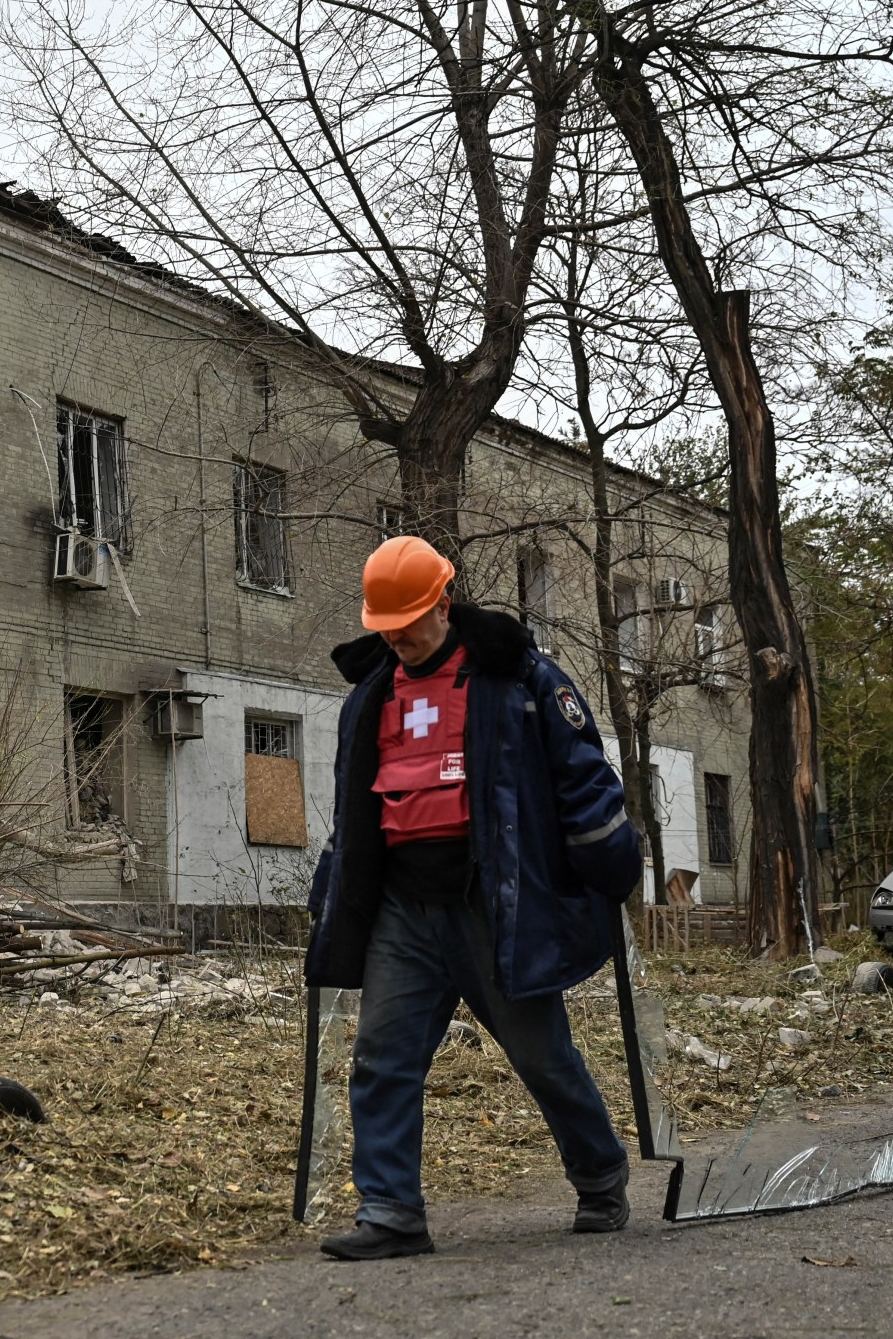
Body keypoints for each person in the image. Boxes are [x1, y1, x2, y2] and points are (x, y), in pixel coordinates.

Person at [306, 534, 642, 1261]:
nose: (397, 637)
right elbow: (352, 810)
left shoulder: (516, 679)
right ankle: (391, 1211)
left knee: (542, 1055)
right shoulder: (369, 696)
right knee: (382, 1056)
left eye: (410, 622)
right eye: (384, 627)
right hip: (402, 906)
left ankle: (599, 1174)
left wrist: (610, 857)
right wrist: (333, 889)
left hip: (495, 902)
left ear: (444, 602)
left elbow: (582, 774)